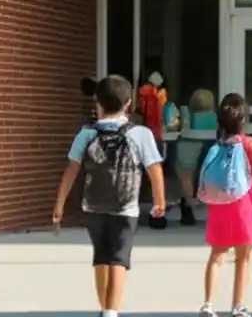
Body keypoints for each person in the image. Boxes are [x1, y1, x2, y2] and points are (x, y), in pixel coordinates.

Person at [53, 75, 167, 317]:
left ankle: (104, 307)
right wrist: (160, 200)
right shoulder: (141, 134)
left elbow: (72, 168)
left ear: (98, 104)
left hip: (93, 206)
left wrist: (60, 203)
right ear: (128, 104)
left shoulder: (86, 134)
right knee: (119, 259)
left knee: (101, 256)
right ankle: (111, 312)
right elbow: (154, 169)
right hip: (126, 209)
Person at [198, 93, 252, 317]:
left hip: (219, 205)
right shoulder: (250, 145)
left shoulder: (216, 147)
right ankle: (237, 306)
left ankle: (208, 304)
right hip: (244, 205)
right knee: (243, 257)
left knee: (217, 255)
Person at [177, 88, 219, 226]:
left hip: (189, 142)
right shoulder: (215, 117)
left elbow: (179, 128)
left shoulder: (187, 115)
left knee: (186, 176)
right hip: (211, 144)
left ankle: (188, 207)